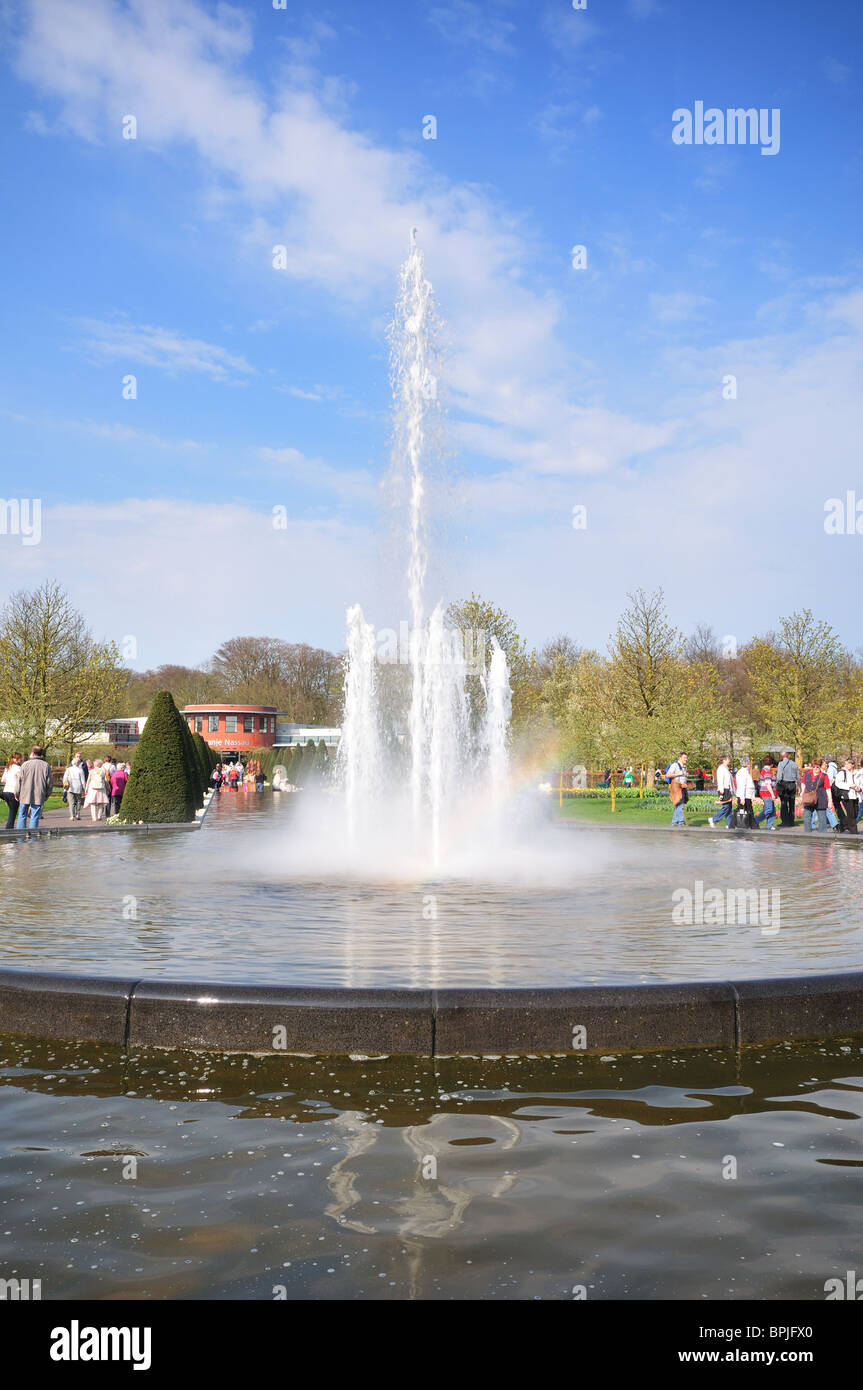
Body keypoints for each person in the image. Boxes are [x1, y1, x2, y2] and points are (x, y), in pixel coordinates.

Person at [16, 746, 53, 829]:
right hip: (39, 793)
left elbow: (19, 781)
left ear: (32, 753)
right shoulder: (46, 766)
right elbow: (49, 782)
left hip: (24, 793)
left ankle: (20, 837)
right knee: (35, 815)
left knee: (22, 814)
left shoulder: (25, 764)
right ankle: (32, 838)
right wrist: (47, 794)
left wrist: (16, 793)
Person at [801, 760, 830, 833]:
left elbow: (828, 788)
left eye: (817, 767)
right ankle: (807, 834)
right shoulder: (807, 774)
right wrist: (802, 793)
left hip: (821, 799)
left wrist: (830, 800)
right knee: (807, 817)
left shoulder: (824, 776)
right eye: (814, 767)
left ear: (820, 767)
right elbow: (803, 783)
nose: (815, 768)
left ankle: (822, 836)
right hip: (808, 798)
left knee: (822, 819)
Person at [833, 759, 858, 835]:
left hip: (856, 795)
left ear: (853, 765)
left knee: (855, 813)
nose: (846, 765)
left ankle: (843, 825)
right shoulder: (842, 773)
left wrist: (858, 788)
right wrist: (849, 786)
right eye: (845, 764)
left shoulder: (857, 773)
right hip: (847, 795)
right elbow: (838, 783)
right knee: (851, 815)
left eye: (848, 764)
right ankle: (854, 833)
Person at [775, 750, 800, 828]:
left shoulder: (781, 764)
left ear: (782, 756)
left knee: (784, 804)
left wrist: (777, 783)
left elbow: (779, 777)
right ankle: (791, 821)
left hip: (784, 784)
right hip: (792, 784)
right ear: (787, 755)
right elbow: (798, 777)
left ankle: (784, 821)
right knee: (792, 803)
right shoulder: (794, 764)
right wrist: (799, 786)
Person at [708, 754, 734, 829]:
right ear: (724, 760)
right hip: (724, 789)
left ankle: (728, 824)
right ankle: (713, 820)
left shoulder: (726, 768)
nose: (729, 760)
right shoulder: (721, 768)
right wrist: (721, 789)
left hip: (727, 789)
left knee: (729, 807)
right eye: (728, 759)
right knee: (725, 807)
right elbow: (720, 779)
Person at [666, 752, 688, 828]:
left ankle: (674, 822)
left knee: (678, 804)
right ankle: (681, 822)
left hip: (683, 787)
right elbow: (668, 774)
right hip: (676, 787)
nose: (686, 759)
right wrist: (678, 774)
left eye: (686, 758)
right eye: (684, 757)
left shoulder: (684, 767)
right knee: (680, 804)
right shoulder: (675, 765)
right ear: (680, 758)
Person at [733, 757, 757, 828]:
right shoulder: (743, 773)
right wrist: (742, 798)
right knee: (748, 811)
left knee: (745, 810)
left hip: (746, 795)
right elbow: (742, 786)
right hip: (744, 795)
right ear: (747, 764)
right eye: (749, 764)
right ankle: (753, 826)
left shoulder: (744, 772)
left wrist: (752, 796)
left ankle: (751, 825)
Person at [754, 760, 778, 829]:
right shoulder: (767, 772)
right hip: (767, 793)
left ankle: (769, 825)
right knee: (769, 809)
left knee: (772, 809)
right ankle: (756, 820)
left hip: (767, 793)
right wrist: (772, 794)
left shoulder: (764, 771)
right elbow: (768, 784)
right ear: (771, 764)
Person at [63, 753, 87, 821]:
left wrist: (65, 788)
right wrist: (84, 789)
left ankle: (72, 815)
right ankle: (78, 814)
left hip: (70, 787)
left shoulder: (68, 769)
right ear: (79, 763)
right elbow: (82, 781)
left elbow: (65, 778)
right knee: (79, 801)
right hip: (78, 788)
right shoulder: (80, 770)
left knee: (71, 802)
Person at [1, 753, 22, 830]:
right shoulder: (17, 768)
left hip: (6, 791)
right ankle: (9, 831)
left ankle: (9, 828)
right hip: (13, 792)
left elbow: (3, 780)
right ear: (14, 759)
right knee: (12, 813)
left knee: (12, 811)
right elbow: (21, 778)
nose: (20, 760)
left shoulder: (8, 767)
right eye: (19, 758)